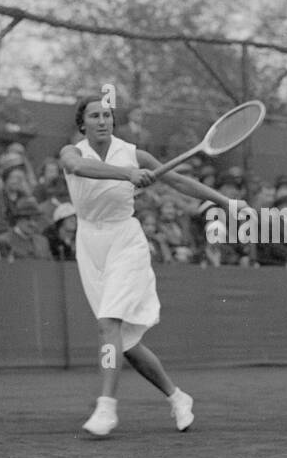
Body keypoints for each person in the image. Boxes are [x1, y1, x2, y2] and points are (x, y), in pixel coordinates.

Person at [59, 95, 240, 437]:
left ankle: (106, 407)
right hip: (89, 243)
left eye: (107, 115)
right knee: (124, 343)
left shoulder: (134, 153)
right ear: (82, 124)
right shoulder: (73, 153)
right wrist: (127, 174)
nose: (102, 121)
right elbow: (79, 169)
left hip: (125, 241)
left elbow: (180, 183)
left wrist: (226, 202)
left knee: (108, 324)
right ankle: (177, 396)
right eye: (95, 116)